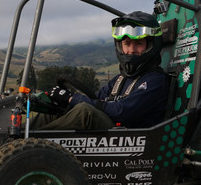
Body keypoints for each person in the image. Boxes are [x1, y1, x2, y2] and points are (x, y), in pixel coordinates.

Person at [32, 11, 169, 131]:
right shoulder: (120, 79)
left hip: (133, 139)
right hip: (111, 135)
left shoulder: (155, 81)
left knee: (85, 112)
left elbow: (121, 112)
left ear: (151, 46)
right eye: (127, 44)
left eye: (139, 44)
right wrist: (64, 100)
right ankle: (17, 142)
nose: (131, 50)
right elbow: (95, 99)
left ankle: (33, 147)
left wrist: (71, 98)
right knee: (52, 111)